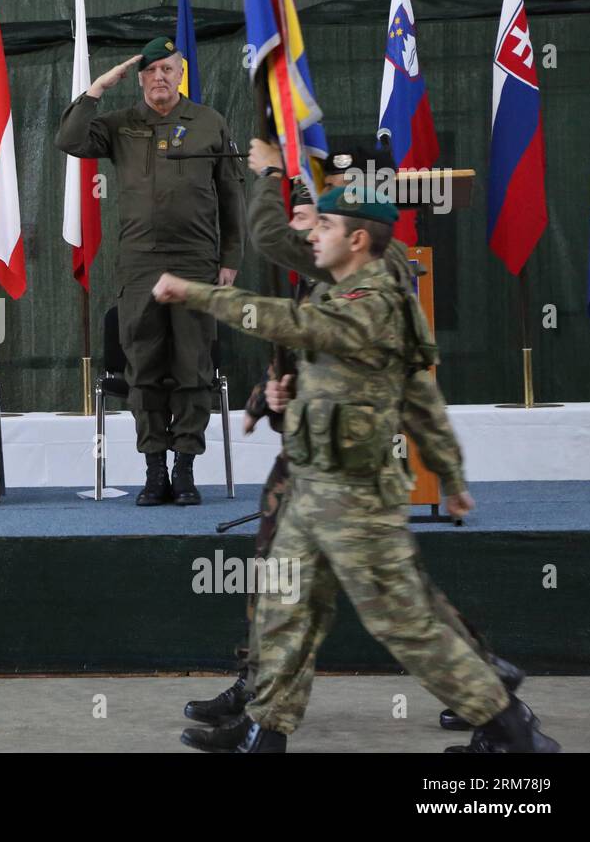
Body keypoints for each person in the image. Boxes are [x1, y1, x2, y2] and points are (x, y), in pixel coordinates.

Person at [152, 184, 559, 753]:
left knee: (406, 626)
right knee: (283, 610)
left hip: (358, 500)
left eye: (326, 227)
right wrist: (283, 395)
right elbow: (412, 398)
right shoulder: (337, 294)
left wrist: (192, 292)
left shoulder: (371, 304)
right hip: (312, 491)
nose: (313, 234)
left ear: (358, 239)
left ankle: (511, 732)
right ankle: (262, 732)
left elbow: (283, 320)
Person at [55, 37, 246, 506]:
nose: (160, 77)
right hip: (140, 263)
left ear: (181, 75)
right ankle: (154, 468)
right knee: (144, 367)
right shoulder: (122, 124)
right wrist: (98, 87)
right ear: (139, 78)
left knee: (192, 366)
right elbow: (69, 139)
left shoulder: (208, 123)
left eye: (168, 69)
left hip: (196, 261)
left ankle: (184, 468)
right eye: (151, 70)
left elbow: (231, 197)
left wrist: (231, 259)